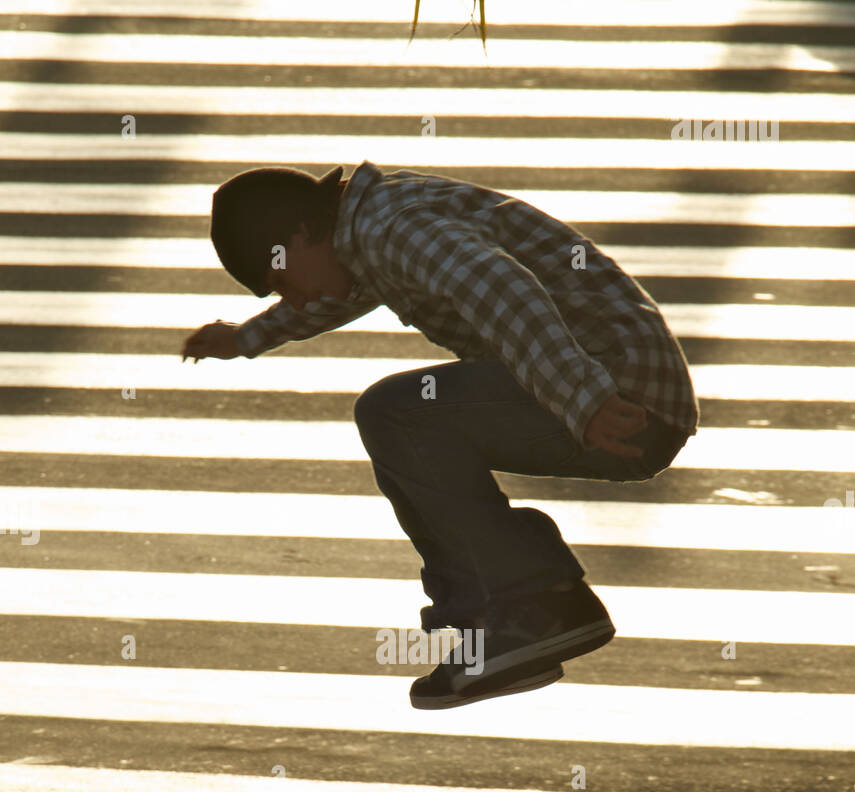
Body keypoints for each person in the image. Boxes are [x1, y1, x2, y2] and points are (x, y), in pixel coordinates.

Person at [183, 161, 698, 710]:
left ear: (302, 234)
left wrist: (583, 398)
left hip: (617, 395)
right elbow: (340, 292)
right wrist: (249, 336)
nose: (296, 299)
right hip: (611, 384)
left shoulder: (398, 228)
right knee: (404, 418)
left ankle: (533, 607)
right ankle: (508, 619)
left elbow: (505, 290)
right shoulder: (369, 230)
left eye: (282, 280)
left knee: (398, 414)